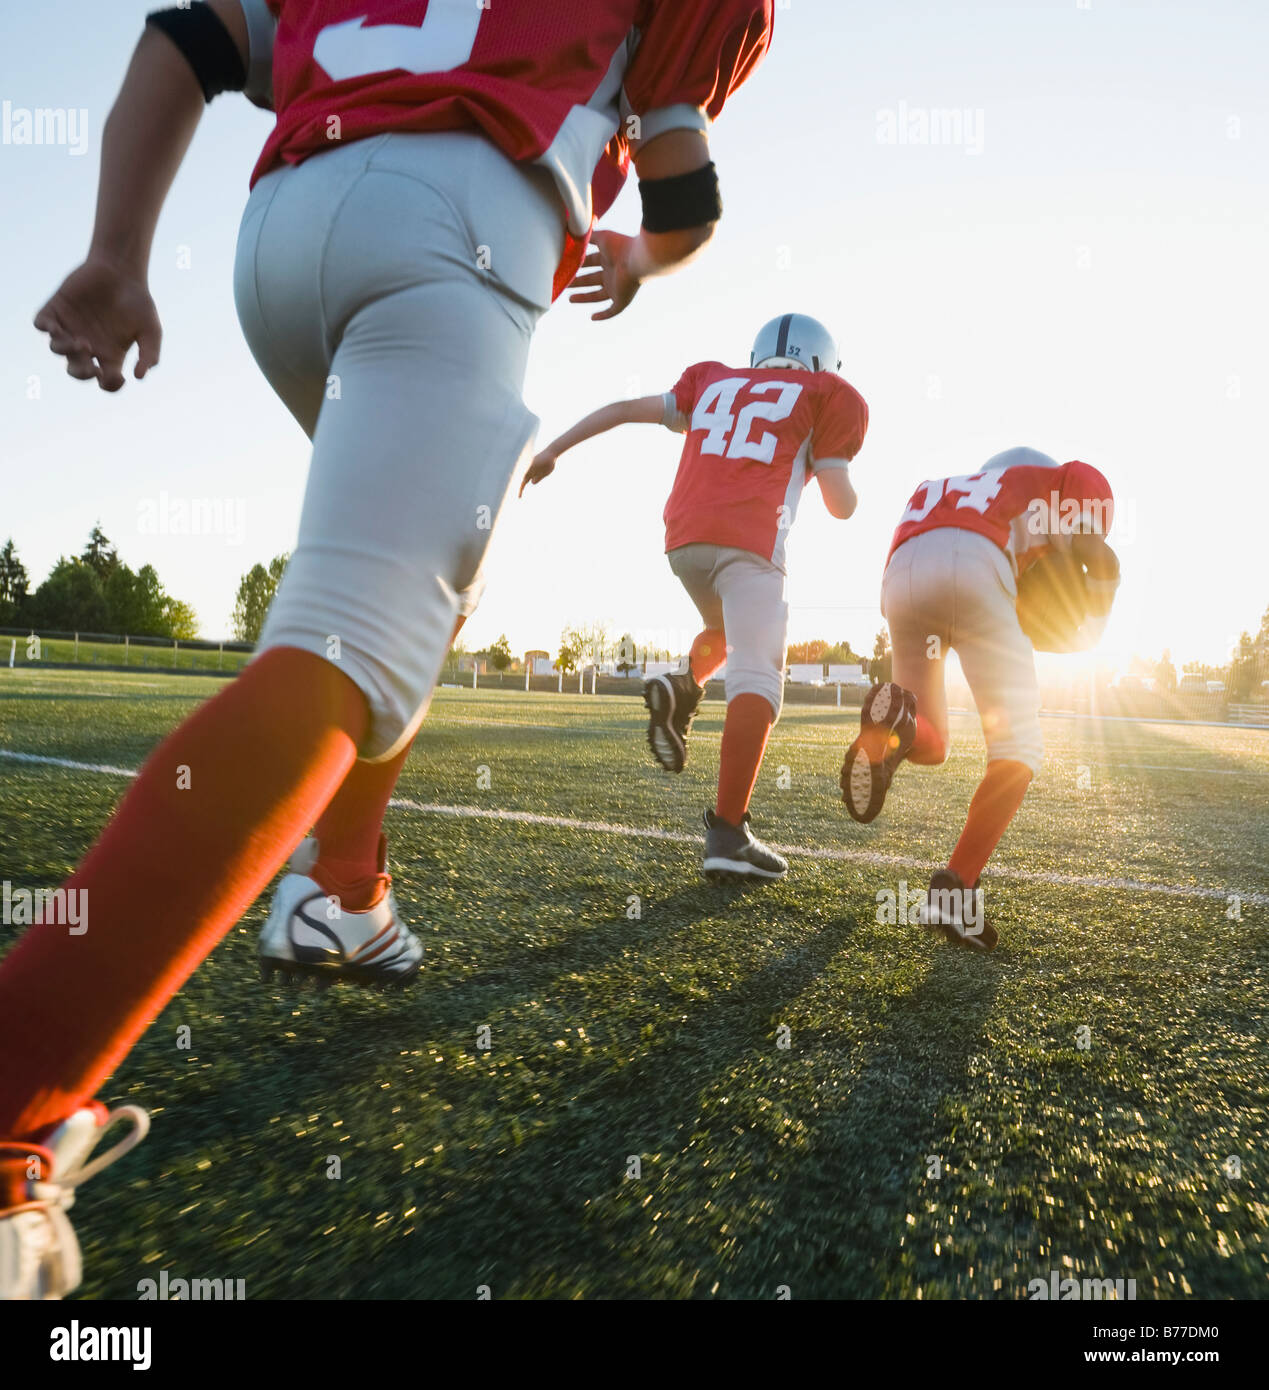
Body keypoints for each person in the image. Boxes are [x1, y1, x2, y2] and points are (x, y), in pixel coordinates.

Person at [2, 0, 774, 1299]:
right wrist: (646, 255)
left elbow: (188, 39)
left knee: (418, 602)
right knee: (352, 644)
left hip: (283, 236)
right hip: (461, 228)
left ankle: (344, 897)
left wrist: (118, 252)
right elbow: (685, 179)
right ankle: (18, 1104)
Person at [522, 313, 868, 878]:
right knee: (760, 674)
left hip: (685, 541)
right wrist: (840, 475)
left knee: (729, 635)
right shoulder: (829, 392)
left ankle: (684, 684)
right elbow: (839, 502)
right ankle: (729, 835)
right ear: (821, 360)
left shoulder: (712, 379)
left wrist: (553, 450)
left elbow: (621, 410)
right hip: (751, 541)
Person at [840, 446, 1119, 949]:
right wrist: (1092, 626)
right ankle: (956, 887)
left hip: (902, 574)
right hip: (973, 564)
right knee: (1020, 749)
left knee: (932, 739)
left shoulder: (945, 486)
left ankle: (898, 723)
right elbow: (1097, 552)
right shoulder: (1062, 480)